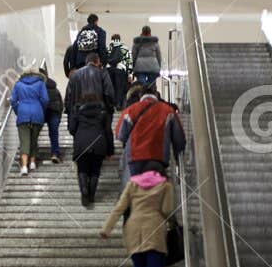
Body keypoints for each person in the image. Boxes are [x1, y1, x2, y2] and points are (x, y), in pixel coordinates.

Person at [101, 167, 175, 267]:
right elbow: (167, 210)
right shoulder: (166, 186)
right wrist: (172, 224)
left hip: (133, 230)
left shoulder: (132, 184)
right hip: (155, 230)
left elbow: (120, 208)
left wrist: (107, 228)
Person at [116, 87, 185, 178]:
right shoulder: (168, 111)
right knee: (155, 188)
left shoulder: (130, 110)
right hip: (158, 157)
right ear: (156, 95)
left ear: (141, 96)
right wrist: (178, 158)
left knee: (137, 187)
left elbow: (121, 136)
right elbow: (179, 138)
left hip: (135, 157)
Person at [66, 71, 112, 207]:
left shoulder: (77, 111)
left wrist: (77, 134)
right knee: (95, 170)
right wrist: (110, 150)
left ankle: (84, 190)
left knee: (82, 169)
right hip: (99, 144)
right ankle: (91, 194)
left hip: (81, 143)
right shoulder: (103, 113)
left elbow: (72, 129)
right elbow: (108, 132)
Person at [8, 67, 47, 176]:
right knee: (34, 139)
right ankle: (33, 162)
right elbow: (45, 99)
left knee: (24, 141)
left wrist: (18, 111)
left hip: (23, 113)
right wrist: (40, 109)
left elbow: (13, 101)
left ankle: (24, 167)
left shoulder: (18, 84)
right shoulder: (40, 83)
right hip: (37, 113)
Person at [39, 66, 63, 164]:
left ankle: (33, 155)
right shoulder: (54, 87)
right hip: (54, 113)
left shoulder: (37, 87)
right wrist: (59, 116)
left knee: (34, 133)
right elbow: (61, 104)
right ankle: (55, 154)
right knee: (54, 133)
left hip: (42, 112)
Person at [106, 34, 131, 105]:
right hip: (120, 69)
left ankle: (111, 104)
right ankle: (118, 104)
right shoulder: (125, 48)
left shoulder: (107, 48)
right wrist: (129, 73)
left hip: (109, 69)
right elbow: (129, 61)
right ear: (119, 39)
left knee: (110, 87)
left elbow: (104, 59)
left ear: (111, 39)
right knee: (120, 87)